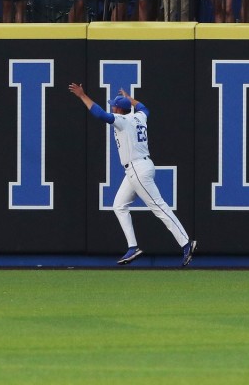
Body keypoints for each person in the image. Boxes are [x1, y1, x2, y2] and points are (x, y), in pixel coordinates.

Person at [67, 83, 197, 267]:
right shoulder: (139, 117)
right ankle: (133, 247)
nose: (112, 107)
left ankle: (186, 243)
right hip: (139, 167)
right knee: (119, 205)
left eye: (114, 105)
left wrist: (82, 96)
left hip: (137, 169)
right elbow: (144, 107)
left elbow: (99, 114)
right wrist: (130, 99)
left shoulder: (122, 120)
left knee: (158, 206)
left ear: (119, 109)